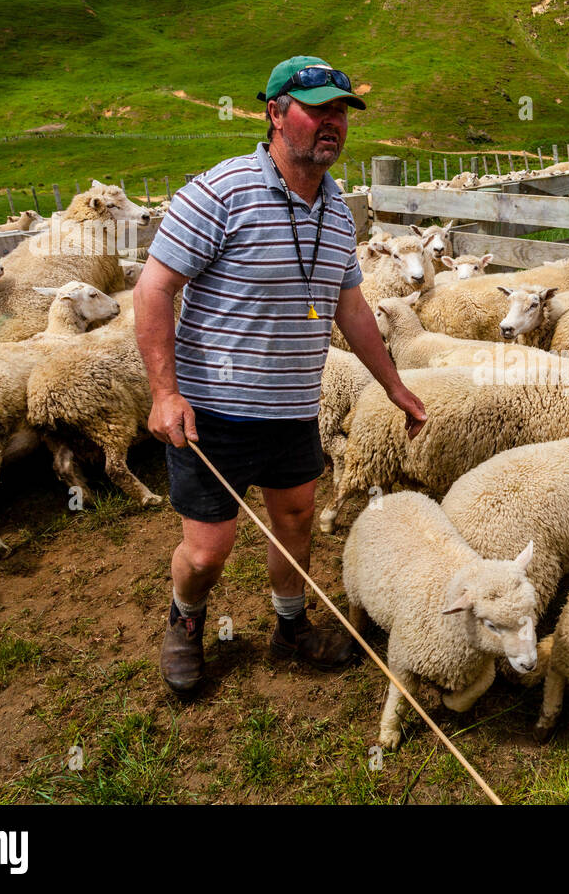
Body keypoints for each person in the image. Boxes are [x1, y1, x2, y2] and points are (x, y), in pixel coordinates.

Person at [135, 56, 426, 695]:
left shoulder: (336, 210)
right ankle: (186, 619)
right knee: (209, 551)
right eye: (317, 108)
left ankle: (289, 626)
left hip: (295, 408)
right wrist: (164, 392)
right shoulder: (219, 193)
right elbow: (154, 289)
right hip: (213, 413)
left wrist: (393, 385)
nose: (332, 123)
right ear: (273, 112)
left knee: (295, 522)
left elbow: (349, 305)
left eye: (340, 111)